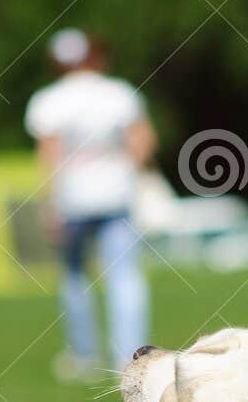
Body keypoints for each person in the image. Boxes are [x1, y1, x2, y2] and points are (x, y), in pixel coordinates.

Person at [25, 29, 156, 383]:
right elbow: (143, 141)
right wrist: (127, 169)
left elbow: (49, 156)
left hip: (73, 198)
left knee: (73, 277)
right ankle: (131, 356)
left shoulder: (48, 100)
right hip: (117, 193)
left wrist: (49, 202)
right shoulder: (118, 93)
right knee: (125, 276)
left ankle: (82, 355)